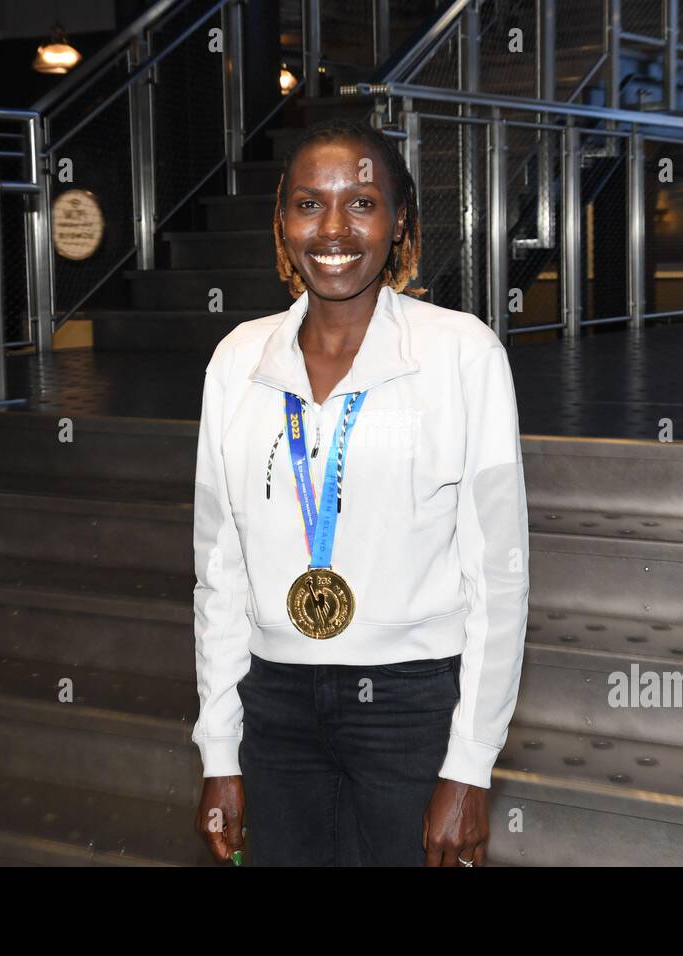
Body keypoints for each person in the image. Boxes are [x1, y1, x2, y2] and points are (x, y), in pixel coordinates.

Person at [190, 117, 529, 866]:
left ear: (400, 219)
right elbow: (219, 575)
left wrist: (470, 766)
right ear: (282, 223)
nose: (334, 228)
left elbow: (498, 579)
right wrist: (221, 750)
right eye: (310, 204)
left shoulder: (462, 353)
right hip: (273, 707)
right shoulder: (236, 362)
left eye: (363, 203)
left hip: (410, 708)